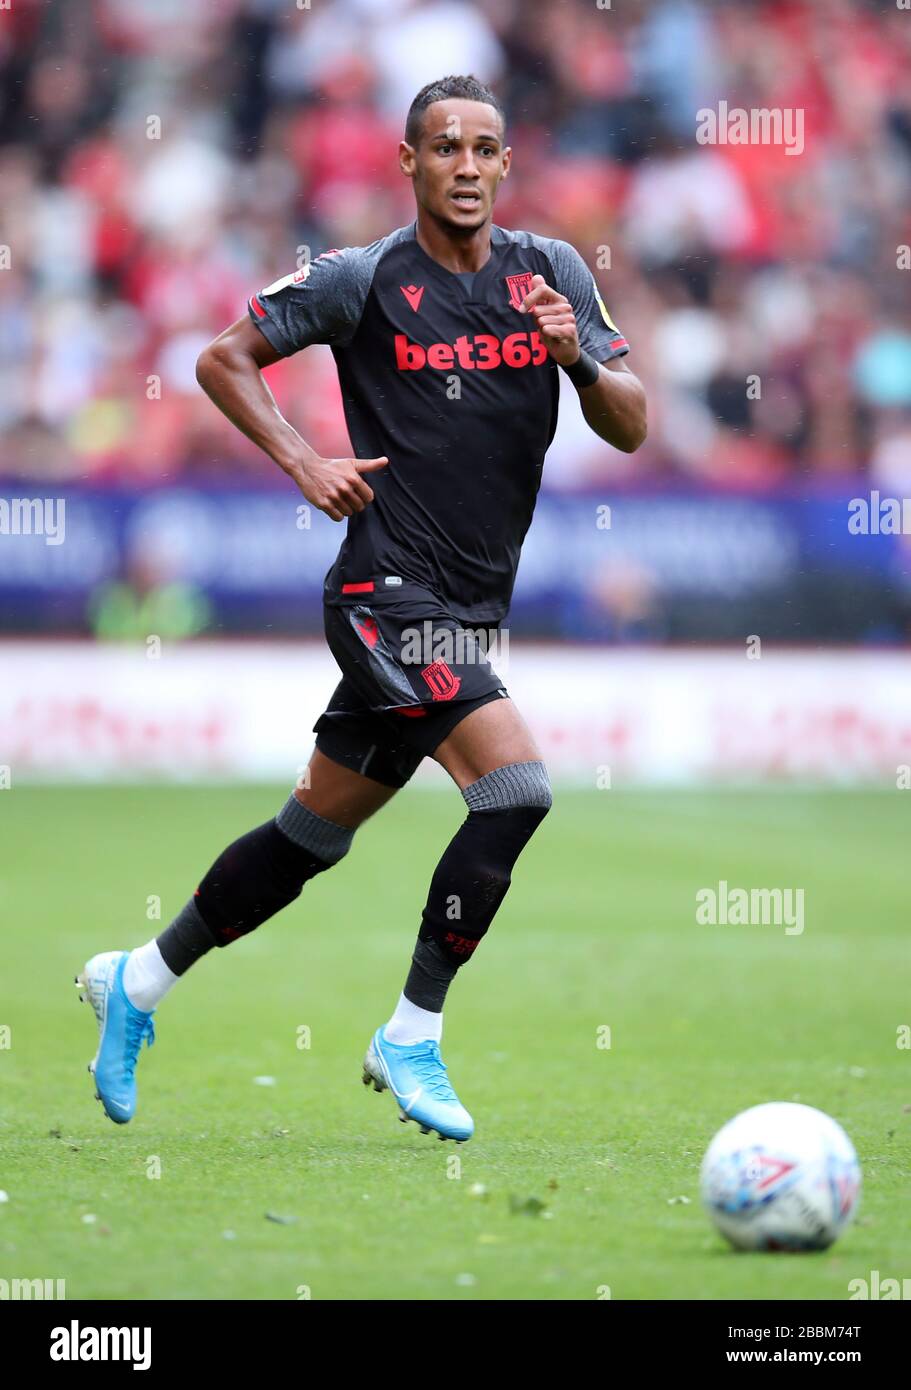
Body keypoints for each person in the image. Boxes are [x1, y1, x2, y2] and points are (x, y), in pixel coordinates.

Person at [77, 74, 647, 1143]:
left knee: (309, 835)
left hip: (466, 608)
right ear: (408, 162)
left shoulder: (553, 275)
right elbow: (220, 358)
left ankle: (137, 980)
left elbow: (629, 423)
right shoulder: (362, 279)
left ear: (505, 164)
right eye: (444, 148)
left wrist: (577, 359)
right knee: (515, 789)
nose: (465, 166)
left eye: (484, 148)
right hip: (383, 588)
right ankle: (411, 1034)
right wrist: (302, 460)